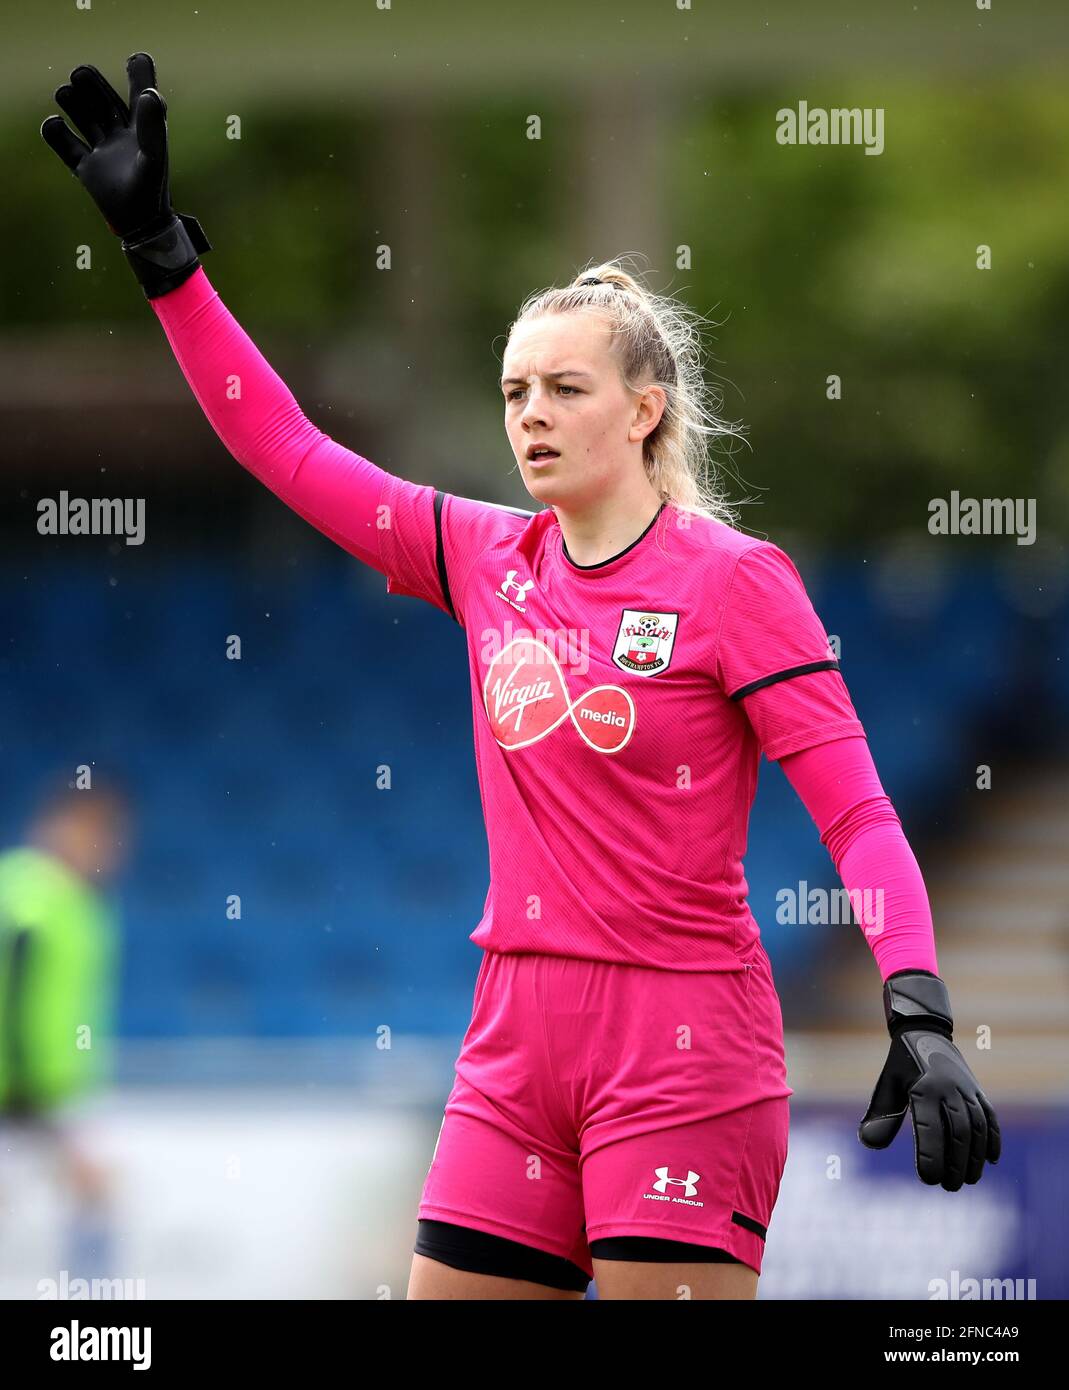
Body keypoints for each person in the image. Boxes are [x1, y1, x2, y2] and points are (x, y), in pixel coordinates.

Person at [40, 54, 1000, 1301]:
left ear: (645, 409)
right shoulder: (481, 554)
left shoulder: (736, 581)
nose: (530, 414)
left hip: (684, 1049)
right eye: (511, 391)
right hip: (512, 1047)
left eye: (563, 388)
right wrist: (165, 256)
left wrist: (917, 1009)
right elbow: (278, 444)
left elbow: (859, 814)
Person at [0, 776, 130, 1281]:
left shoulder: (79, 901)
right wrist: (34, 1097)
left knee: (95, 1199)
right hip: (26, 1090)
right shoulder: (31, 895)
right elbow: (14, 1001)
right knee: (91, 1193)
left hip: (56, 1087)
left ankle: (90, 1321)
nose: (108, 848)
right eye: (96, 832)